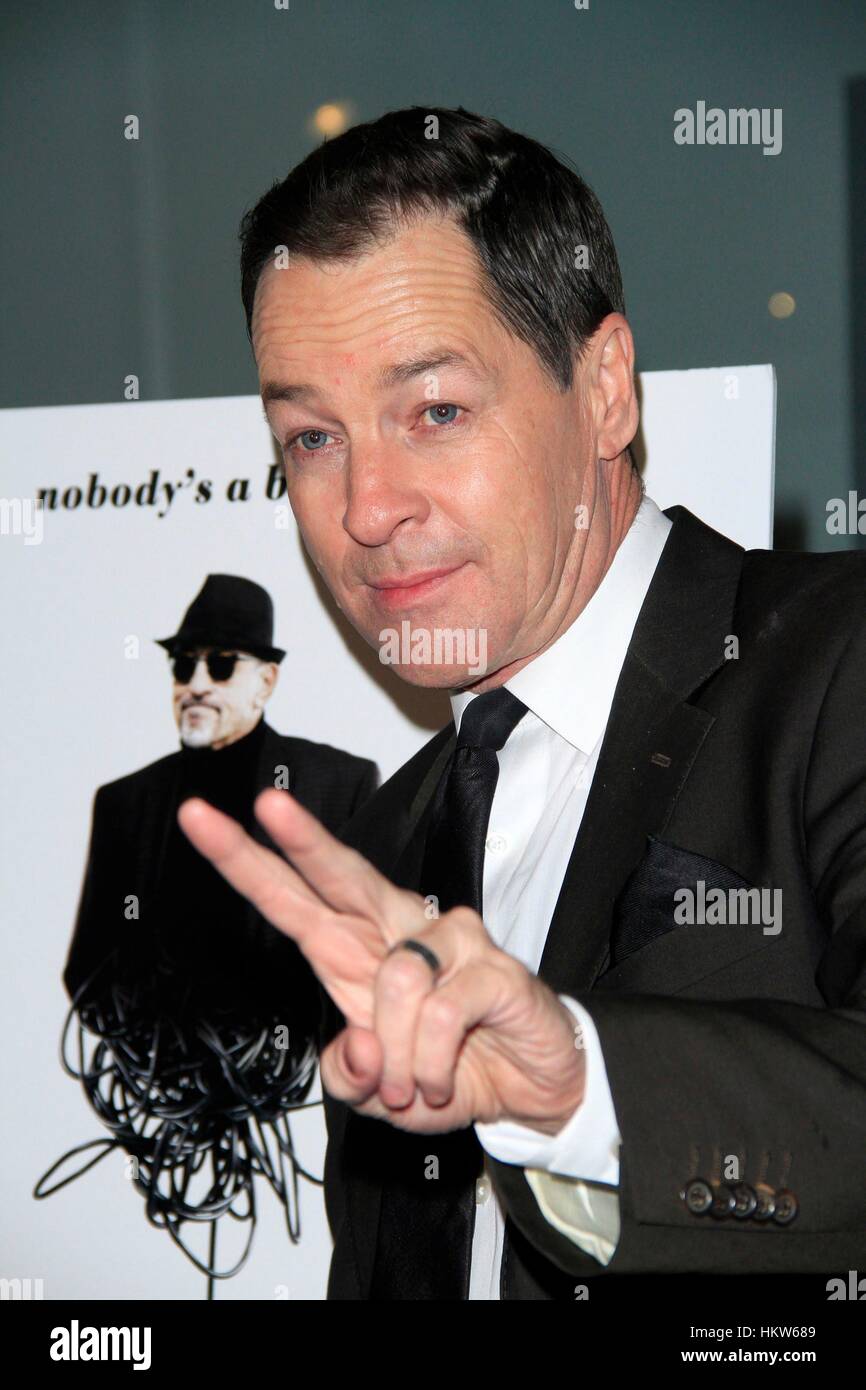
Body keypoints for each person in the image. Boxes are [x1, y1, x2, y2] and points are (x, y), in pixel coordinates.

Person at [178, 107, 866, 1298]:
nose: (366, 508)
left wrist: (582, 1086)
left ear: (603, 391)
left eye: (434, 411)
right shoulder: (383, 844)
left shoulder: (835, 661)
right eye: (311, 438)